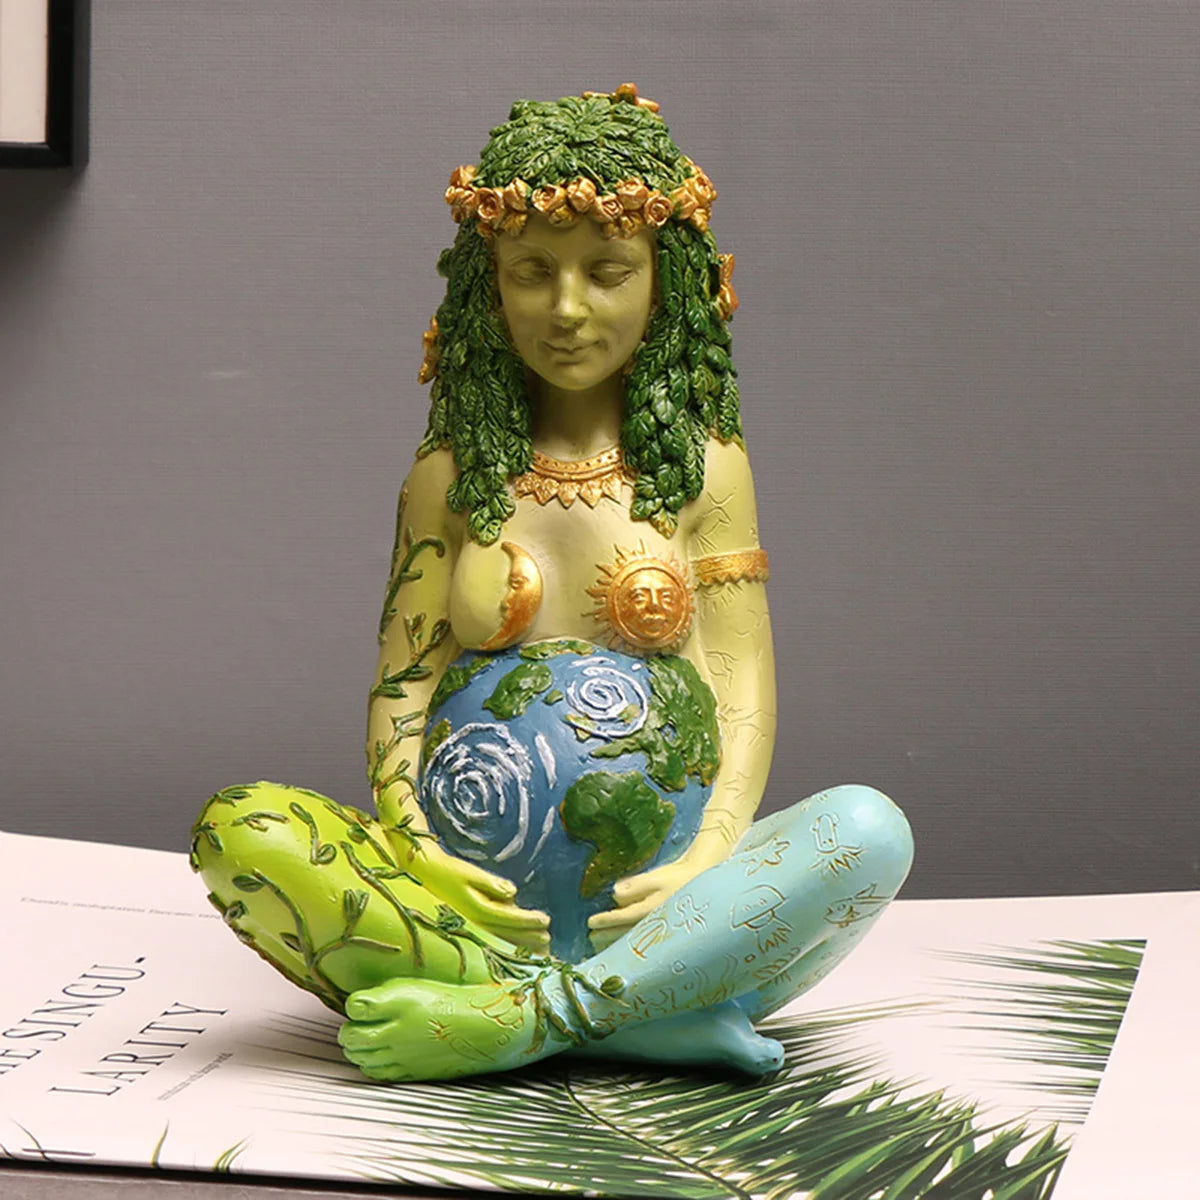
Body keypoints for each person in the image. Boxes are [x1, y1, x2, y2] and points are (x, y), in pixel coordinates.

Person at [192, 85, 913, 1082]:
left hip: (672, 922)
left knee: (868, 832)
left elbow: (741, 678)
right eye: (532, 272)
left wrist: (708, 855)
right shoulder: (448, 478)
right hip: (473, 924)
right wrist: (416, 845)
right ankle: (633, 1016)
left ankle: (527, 1019)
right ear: (487, 287)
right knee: (241, 829)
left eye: (607, 271)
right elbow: (404, 682)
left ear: (667, 280)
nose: (567, 310)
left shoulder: (707, 469)